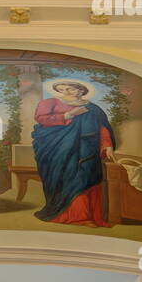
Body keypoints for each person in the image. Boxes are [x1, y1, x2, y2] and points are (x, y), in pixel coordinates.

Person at [30, 79, 116, 226]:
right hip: (57, 149)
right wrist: (68, 115)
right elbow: (41, 119)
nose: (66, 92)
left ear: (81, 90)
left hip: (87, 149)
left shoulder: (93, 108)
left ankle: (88, 216)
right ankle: (73, 216)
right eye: (63, 89)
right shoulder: (50, 103)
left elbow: (102, 127)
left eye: (70, 89)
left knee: (85, 178)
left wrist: (107, 145)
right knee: (66, 178)